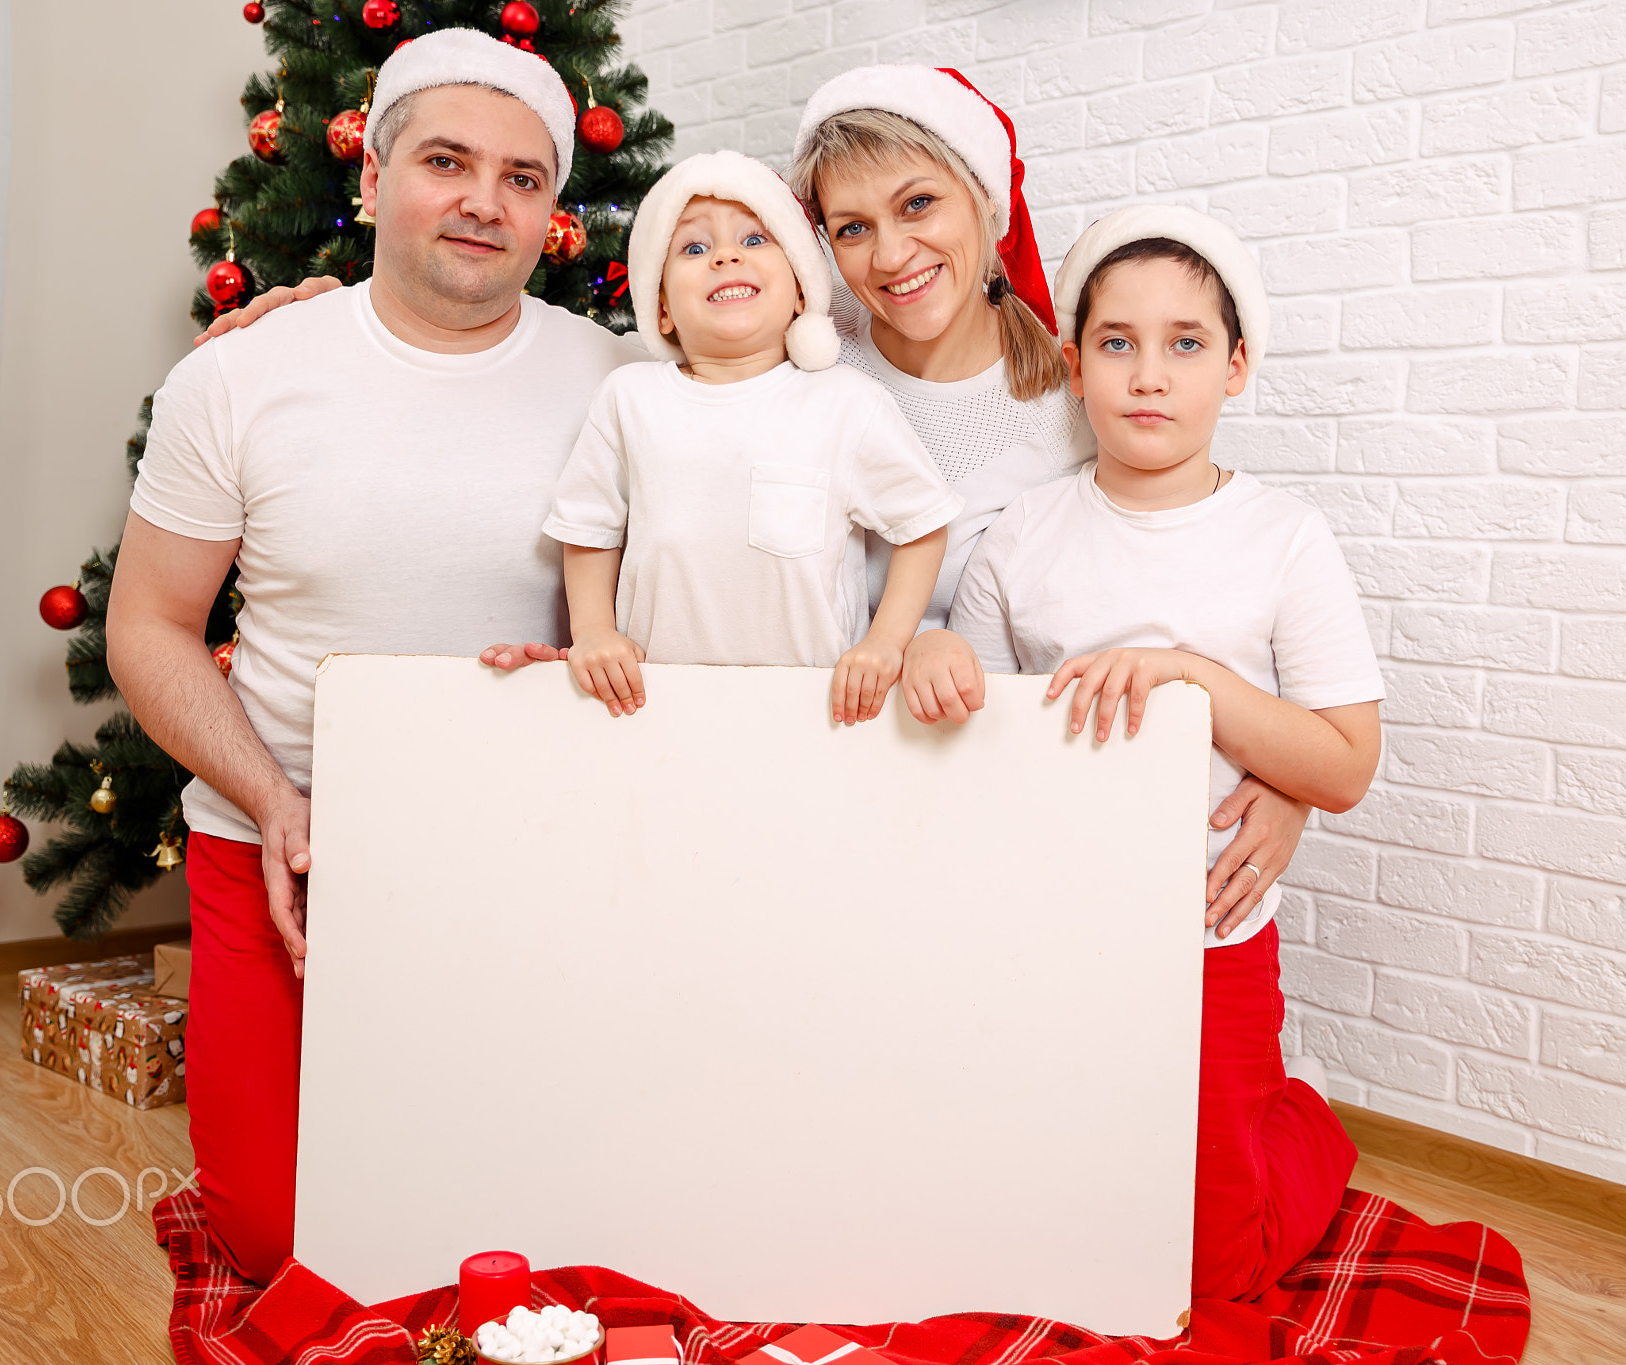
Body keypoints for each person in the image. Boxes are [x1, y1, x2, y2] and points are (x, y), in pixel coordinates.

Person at [198, 62, 1308, 952]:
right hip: (783, 776)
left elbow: (1193, 569)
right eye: (849, 228)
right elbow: (608, 471)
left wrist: (1273, 778)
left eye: (918, 205)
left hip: (1006, 805)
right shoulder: (784, 363)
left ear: (982, 199)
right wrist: (316, 315)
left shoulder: (1090, 390)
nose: (891, 253)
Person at [104, 30, 642, 1285]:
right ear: (370, 177)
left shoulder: (622, 383)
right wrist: (272, 804)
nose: (482, 201)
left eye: (521, 177)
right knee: (279, 1245)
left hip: (535, 854)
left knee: (537, 1226)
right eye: (445, 161)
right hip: (286, 851)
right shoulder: (238, 380)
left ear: (552, 213)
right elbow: (147, 626)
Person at [947, 205, 1385, 1302]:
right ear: (1071, 362)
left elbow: (1342, 768)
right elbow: (968, 738)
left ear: (1234, 368)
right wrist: (919, 656)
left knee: (1206, 1271)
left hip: (1209, 935)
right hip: (1048, 936)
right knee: (1045, 1221)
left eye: (1185, 344)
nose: (1148, 374)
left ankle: (1304, 1119)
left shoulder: (1282, 537)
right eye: (1115, 343)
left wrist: (1196, 680)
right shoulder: (1022, 536)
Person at [479, 151, 959, 726]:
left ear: (802, 290)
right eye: (694, 249)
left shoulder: (846, 403)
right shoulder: (630, 399)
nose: (727, 256)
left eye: (755, 240)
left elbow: (923, 525)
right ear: (661, 308)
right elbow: (589, 528)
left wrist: (885, 642)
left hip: (814, 710)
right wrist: (595, 632)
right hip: (654, 705)